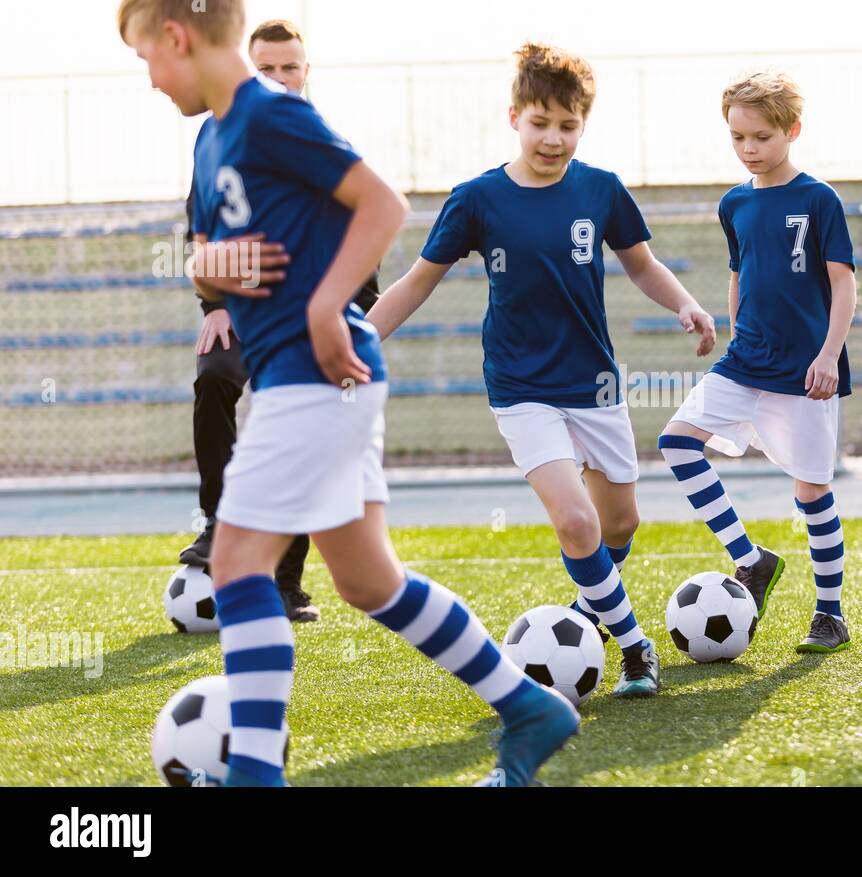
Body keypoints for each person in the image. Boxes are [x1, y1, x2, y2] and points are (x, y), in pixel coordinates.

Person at [120, 0, 577, 786]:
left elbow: (381, 205)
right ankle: (531, 708)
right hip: (308, 377)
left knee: (234, 569)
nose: (152, 82)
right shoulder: (211, 136)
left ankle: (255, 775)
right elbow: (203, 259)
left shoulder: (270, 115)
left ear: (177, 37)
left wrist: (328, 302)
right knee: (369, 581)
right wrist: (218, 271)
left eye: (146, 60)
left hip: (315, 372)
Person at [367, 42, 717, 698]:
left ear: (582, 125)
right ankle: (637, 647)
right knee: (578, 523)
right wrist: (359, 340)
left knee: (618, 526)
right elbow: (417, 282)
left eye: (567, 126)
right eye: (540, 123)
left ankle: (588, 614)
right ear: (514, 117)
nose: (553, 139)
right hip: (521, 386)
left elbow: (641, 263)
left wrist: (687, 303)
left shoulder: (602, 190)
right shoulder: (477, 199)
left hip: (596, 385)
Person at [179, 18, 382, 624]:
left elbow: (372, 220)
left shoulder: (311, 135)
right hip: (246, 309)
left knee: (368, 573)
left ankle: (287, 585)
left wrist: (340, 311)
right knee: (215, 376)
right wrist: (213, 302)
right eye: (265, 67)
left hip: (318, 315)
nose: (278, 78)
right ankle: (220, 524)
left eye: (289, 67)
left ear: (306, 71)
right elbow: (202, 226)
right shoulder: (217, 134)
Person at [658, 71, 857, 653]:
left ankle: (830, 613)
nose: (749, 148)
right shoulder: (734, 203)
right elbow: (740, 273)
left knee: (812, 493)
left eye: (761, 137)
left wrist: (828, 355)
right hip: (745, 361)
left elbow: (844, 286)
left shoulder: (819, 200)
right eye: (738, 137)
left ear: (792, 130)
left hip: (805, 373)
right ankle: (751, 558)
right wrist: (730, 331)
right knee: (676, 442)